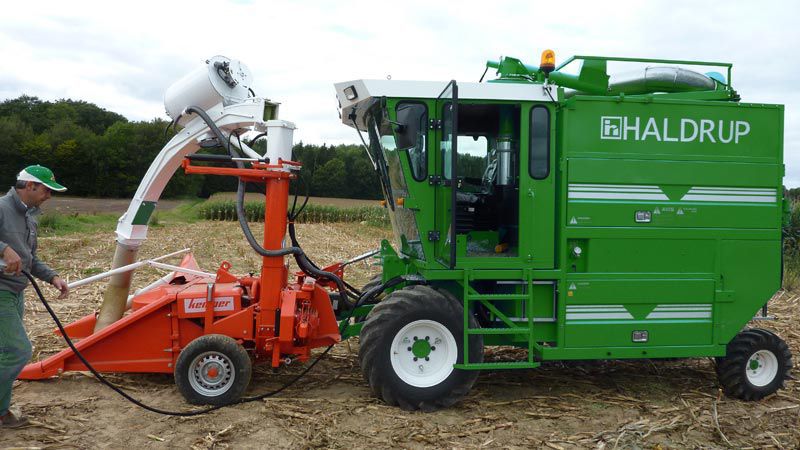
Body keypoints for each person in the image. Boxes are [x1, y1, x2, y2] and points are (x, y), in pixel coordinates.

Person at [0, 165, 69, 428]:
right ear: (30, 186)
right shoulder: (2, 208)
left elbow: (30, 259)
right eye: (46, 190)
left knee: (4, 352)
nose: (49, 196)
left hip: (15, 292)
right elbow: (9, 252)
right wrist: (3, 248)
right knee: (18, 351)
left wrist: (52, 277)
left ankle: (2, 412)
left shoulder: (29, 217)